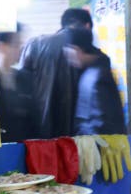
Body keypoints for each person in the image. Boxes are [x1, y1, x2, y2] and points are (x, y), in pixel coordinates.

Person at [19, 8, 106, 138]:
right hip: (77, 142)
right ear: (87, 27)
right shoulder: (93, 56)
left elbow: (21, 88)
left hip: (38, 140)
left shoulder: (35, 45)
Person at [67, 28, 126, 135]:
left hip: (96, 147)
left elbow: (102, 124)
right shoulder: (92, 72)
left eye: (68, 52)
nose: (69, 59)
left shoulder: (96, 77)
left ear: (76, 49)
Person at [0, 23, 34, 141]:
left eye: (20, 44)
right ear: (1, 46)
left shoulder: (24, 77)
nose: (19, 50)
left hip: (22, 149)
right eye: (15, 44)